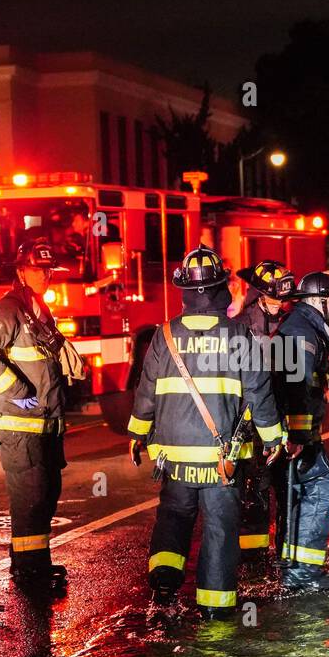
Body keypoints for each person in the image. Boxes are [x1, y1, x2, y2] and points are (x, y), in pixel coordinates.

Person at [127, 247, 284, 619]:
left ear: (185, 291)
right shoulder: (239, 335)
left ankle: (164, 587)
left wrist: (136, 435)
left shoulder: (164, 335)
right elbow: (258, 391)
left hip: (173, 458)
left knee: (175, 515)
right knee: (219, 526)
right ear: (217, 289)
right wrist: (273, 438)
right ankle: (214, 610)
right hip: (220, 460)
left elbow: (146, 389)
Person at [0, 239, 84, 593]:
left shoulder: (37, 310)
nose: (47, 275)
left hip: (45, 426)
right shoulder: (8, 310)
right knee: (31, 499)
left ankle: (33, 562)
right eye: (39, 269)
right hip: (20, 429)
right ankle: (29, 573)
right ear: (21, 272)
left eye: (49, 270)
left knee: (46, 495)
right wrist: (20, 394)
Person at [275, 271, 329, 591]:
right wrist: (298, 437)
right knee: (323, 489)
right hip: (294, 436)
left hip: (295, 434)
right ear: (319, 300)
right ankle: (302, 574)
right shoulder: (299, 331)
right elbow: (294, 388)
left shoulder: (304, 328)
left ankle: (295, 570)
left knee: (298, 497)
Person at [231, 260, 295, 559]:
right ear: (262, 294)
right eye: (278, 295)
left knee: (286, 489)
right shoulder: (243, 326)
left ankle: (284, 552)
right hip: (251, 422)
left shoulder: (288, 322)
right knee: (255, 492)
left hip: (279, 417)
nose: (283, 301)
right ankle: (253, 561)